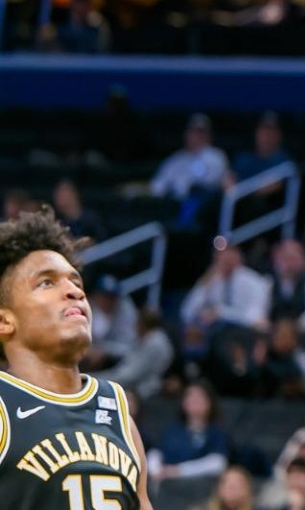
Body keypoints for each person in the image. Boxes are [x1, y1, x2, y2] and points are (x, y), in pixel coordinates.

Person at [0, 209, 154, 510]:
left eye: (77, 283)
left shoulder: (117, 409)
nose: (73, 292)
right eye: (46, 282)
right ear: (5, 321)